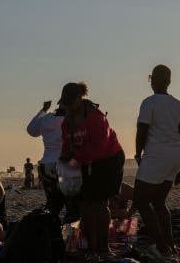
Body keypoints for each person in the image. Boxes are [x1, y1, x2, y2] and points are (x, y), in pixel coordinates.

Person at [59, 82, 124, 262]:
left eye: (71, 103)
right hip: (86, 161)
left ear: (80, 99)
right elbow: (66, 144)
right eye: (66, 104)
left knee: (100, 204)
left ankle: (103, 248)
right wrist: (65, 157)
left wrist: (76, 156)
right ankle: (91, 248)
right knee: (86, 205)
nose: (68, 107)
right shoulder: (67, 121)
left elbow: (99, 148)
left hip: (108, 160)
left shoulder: (96, 117)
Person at [133, 65, 180, 260]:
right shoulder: (178, 104)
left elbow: (142, 130)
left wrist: (138, 154)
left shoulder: (149, 102)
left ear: (153, 80)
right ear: (169, 81)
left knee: (140, 200)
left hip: (156, 156)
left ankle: (162, 247)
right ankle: (170, 244)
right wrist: (178, 165)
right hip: (173, 156)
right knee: (158, 202)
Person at [27, 100, 70, 218]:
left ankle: (50, 230)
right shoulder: (71, 120)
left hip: (47, 164)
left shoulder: (46, 119)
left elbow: (31, 130)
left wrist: (43, 110)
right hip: (65, 165)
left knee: (52, 203)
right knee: (71, 203)